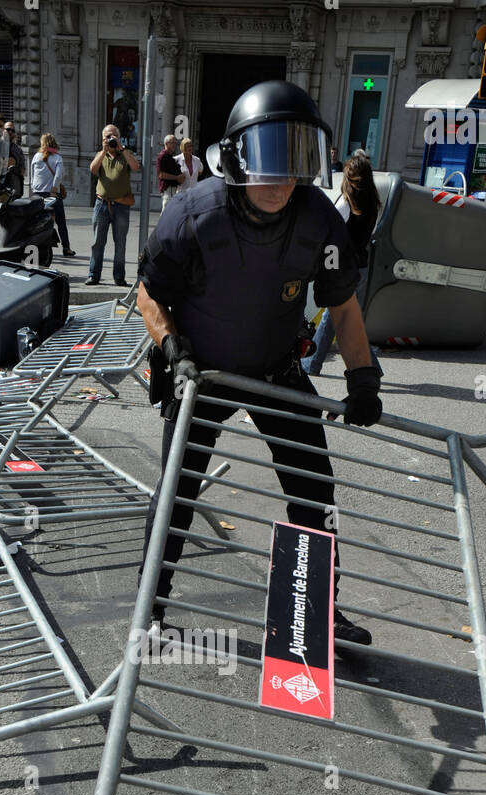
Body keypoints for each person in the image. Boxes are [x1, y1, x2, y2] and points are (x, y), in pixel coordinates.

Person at [136, 80, 382, 648]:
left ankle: (317, 612)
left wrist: (364, 380)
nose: (282, 177)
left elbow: (342, 306)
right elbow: (148, 293)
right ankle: (150, 607)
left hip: (275, 369)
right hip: (204, 375)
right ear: (238, 156)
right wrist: (173, 349)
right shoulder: (193, 214)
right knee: (177, 491)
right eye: (270, 157)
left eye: (296, 158)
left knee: (315, 488)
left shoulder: (319, 218)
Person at [303, 150, 382, 377]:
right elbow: (371, 234)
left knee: (337, 315)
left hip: (342, 265)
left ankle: (313, 362)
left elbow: (330, 234)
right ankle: (314, 362)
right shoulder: (373, 204)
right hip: (362, 266)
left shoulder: (346, 204)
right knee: (347, 316)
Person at [85, 123, 140, 286]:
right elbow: (92, 169)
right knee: (97, 242)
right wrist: (103, 150)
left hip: (121, 207)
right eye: (107, 136)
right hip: (101, 204)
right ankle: (93, 275)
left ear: (118, 136)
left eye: (113, 136)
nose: (110, 139)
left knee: (120, 243)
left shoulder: (125, 154)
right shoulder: (100, 155)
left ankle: (119, 276)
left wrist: (122, 148)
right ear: (103, 139)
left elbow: (136, 167)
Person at [30, 133, 76, 257]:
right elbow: (58, 176)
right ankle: (66, 248)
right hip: (52, 194)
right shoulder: (57, 158)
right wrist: (54, 190)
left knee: (36, 222)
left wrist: (34, 190)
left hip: (37, 194)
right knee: (61, 222)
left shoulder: (36, 156)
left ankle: (34, 247)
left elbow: (32, 176)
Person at [156, 132, 184, 208]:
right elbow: (161, 175)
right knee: (166, 213)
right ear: (166, 144)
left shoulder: (170, 156)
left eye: (175, 143)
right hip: (168, 189)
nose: (175, 145)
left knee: (170, 213)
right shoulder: (163, 156)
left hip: (173, 189)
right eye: (173, 143)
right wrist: (177, 177)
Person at [3, 122, 25, 197]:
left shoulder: (18, 150)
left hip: (14, 188)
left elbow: (22, 169)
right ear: (3, 130)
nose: (10, 132)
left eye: (12, 131)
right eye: (8, 129)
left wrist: (15, 169)